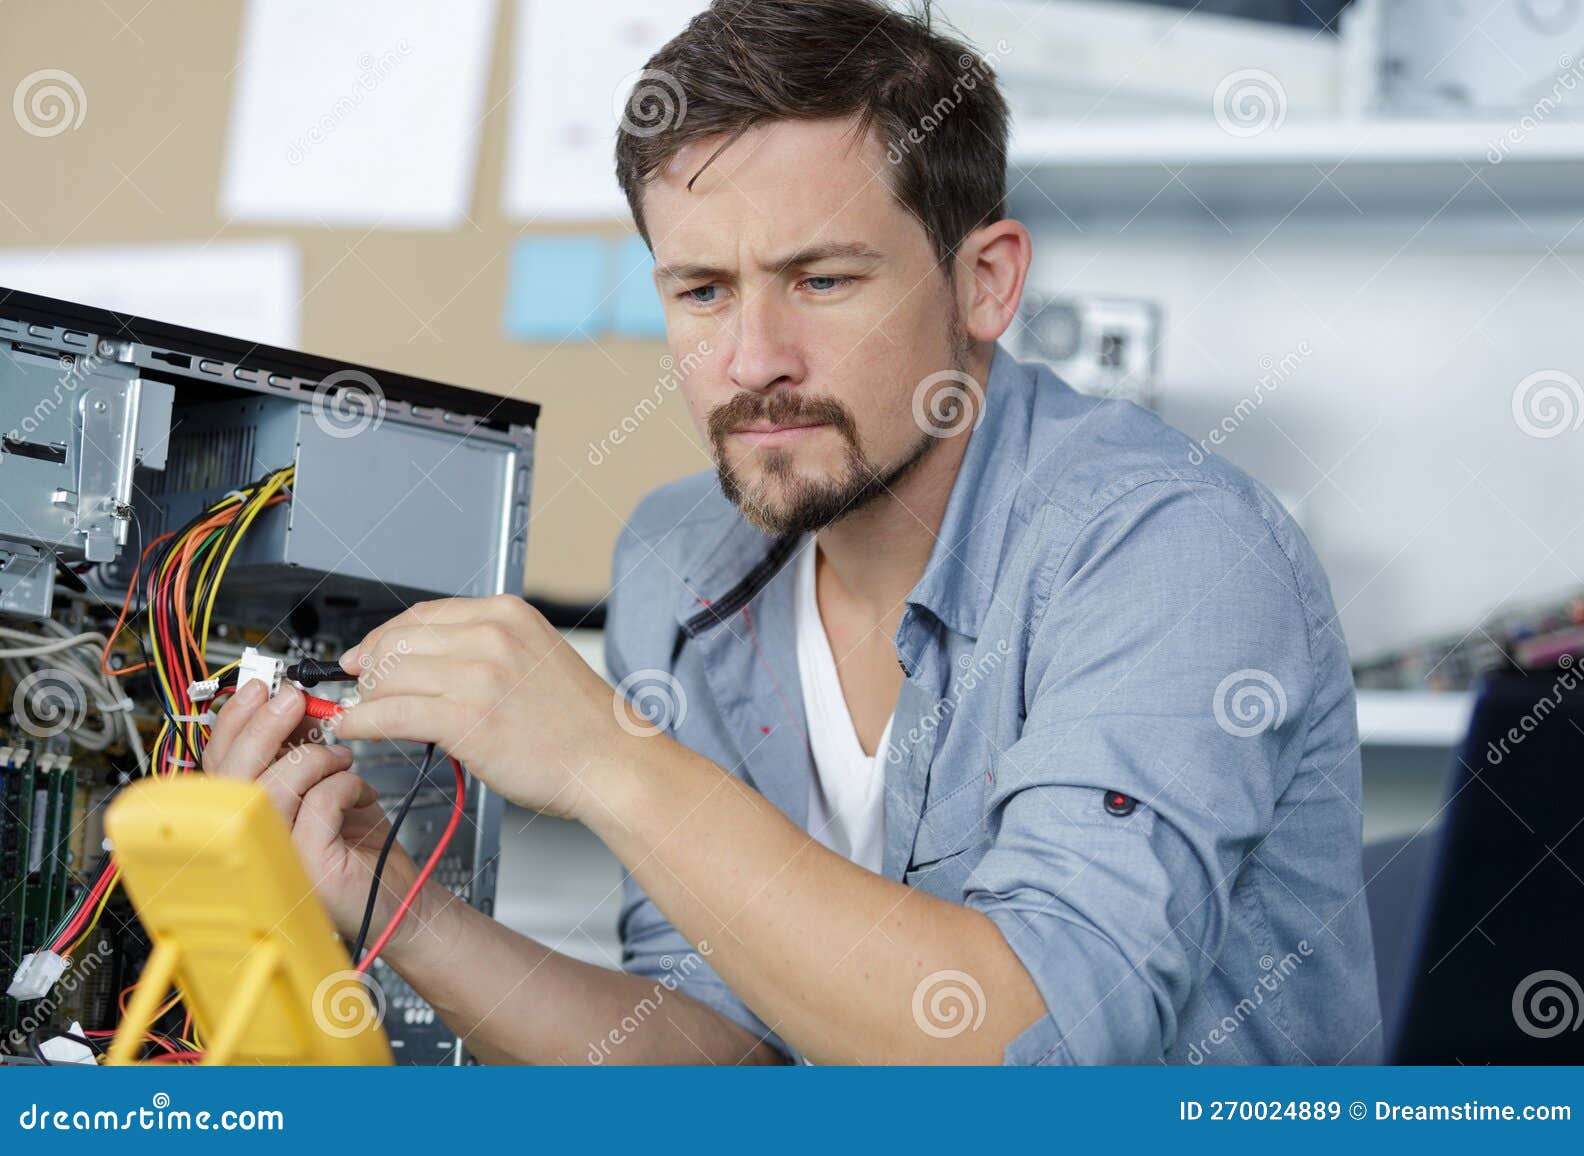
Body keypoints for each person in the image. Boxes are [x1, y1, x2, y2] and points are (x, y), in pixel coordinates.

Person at [205, 0, 1381, 1065]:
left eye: (821, 280)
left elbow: (1042, 1060)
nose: (754, 359)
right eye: (703, 291)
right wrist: (389, 901)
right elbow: (715, 1065)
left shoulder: (1166, 548)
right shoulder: (680, 557)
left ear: (985, 282)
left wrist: (605, 757)